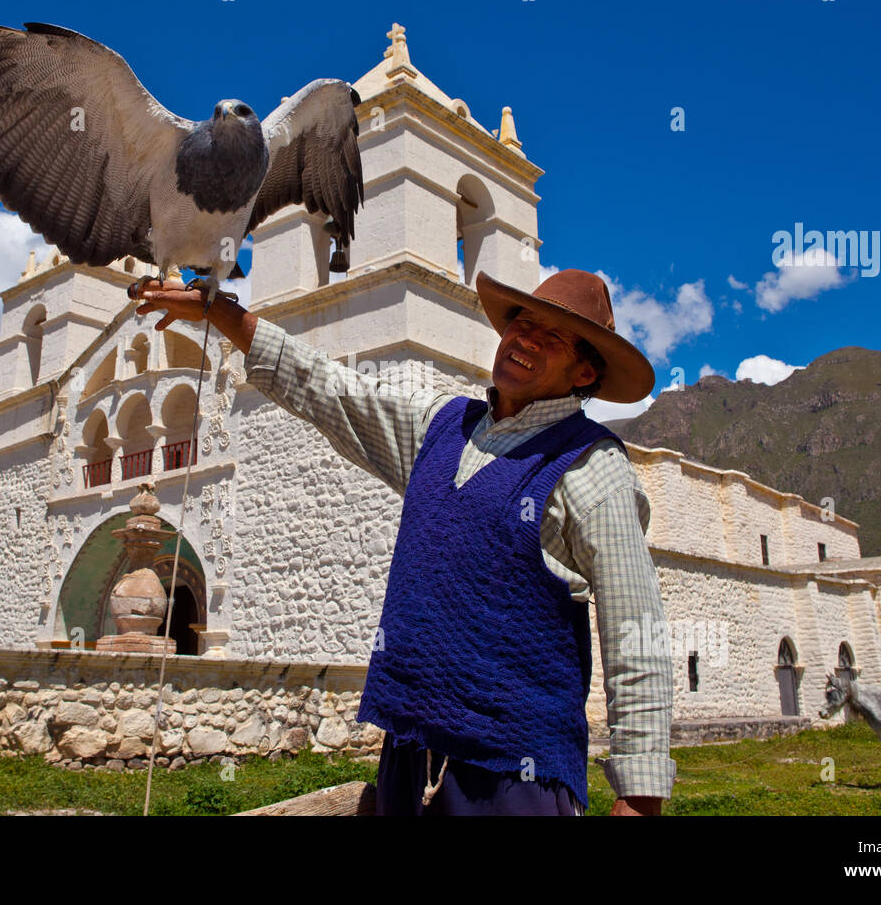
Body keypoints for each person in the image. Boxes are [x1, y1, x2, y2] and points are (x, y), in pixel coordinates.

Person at [131, 267, 676, 815]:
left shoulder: (594, 467)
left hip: (515, 775)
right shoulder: (441, 426)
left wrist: (640, 794)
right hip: (409, 757)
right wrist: (221, 312)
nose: (525, 338)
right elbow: (331, 388)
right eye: (522, 322)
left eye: (552, 335)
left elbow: (637, 627)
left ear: (585, 369)